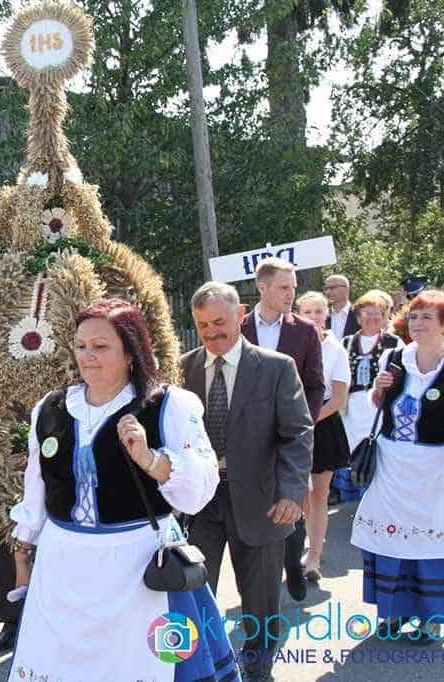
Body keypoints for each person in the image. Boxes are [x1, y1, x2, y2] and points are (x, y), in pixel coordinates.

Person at [8, 299, 238, 682]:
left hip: (137, 566)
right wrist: (22, 559)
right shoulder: (49, 409)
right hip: (62, 568)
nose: (87, 357)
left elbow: (201, 487)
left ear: (131, 352)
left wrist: (151, 460)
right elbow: (36, 490)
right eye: (81, 346)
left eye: (101, 347)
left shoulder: (169, 406)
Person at [183, 282, 314, 681]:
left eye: (219, 322)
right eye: (203, 325)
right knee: (192, 594)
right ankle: (202, 667)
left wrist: (291, 493)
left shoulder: (276, 367)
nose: (212, 332)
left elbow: (297, 434)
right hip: (201, 502)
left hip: (263, 503)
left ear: (240, 315)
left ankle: (258, 669)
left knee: (259, 602)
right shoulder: (182, 369)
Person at [351, 290, 444, 644]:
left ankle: (431, 619)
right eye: (413, 316)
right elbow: (382, 408)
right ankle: (393, 612)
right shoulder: (394, 359)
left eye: (427, 317)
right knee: (391, 539)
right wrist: (379, 391)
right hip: (392, 467)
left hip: (436, 472)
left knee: (433, 544)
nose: (418, 323)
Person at [241, 257, 324, 602]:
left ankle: (293, 562)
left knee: (291, 498)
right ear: (262, 287)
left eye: (294, 288)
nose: (291, 294)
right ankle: (258, 577)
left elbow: (316, 385)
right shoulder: (239, 327)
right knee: (251, 503)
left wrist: (303, 423)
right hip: (246, 436)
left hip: (290, 435)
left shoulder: (304, 331)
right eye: (284, 287)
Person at [295, 291, 352, 582]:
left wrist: (309, 420)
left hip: (323, 424)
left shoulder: (336, 349)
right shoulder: (292, 342)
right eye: (307, 311)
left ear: (327, 314)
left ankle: (314, 558)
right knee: (300, 494)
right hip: (292, 424)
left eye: (318, 311)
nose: (313, 317)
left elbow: (339, 398)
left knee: (319, 494)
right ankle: (305, 543)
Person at [333, 291, 405, 503]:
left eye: (378, 313)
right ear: (358, 317)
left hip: (380, 406)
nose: (372, 318)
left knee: (379, 450)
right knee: (354, 449)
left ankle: (380, 497)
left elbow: (402, 374)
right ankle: (358, 497)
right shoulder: (346, 342)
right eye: (367, 313)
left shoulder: (394, 343)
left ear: (385, 316)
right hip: (352, 408)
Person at [325, 274, 360, 339]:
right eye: (326, 288)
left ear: (347, 289)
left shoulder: (359, 314)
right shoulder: (322, 316)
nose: (328, 292)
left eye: (332, 288)